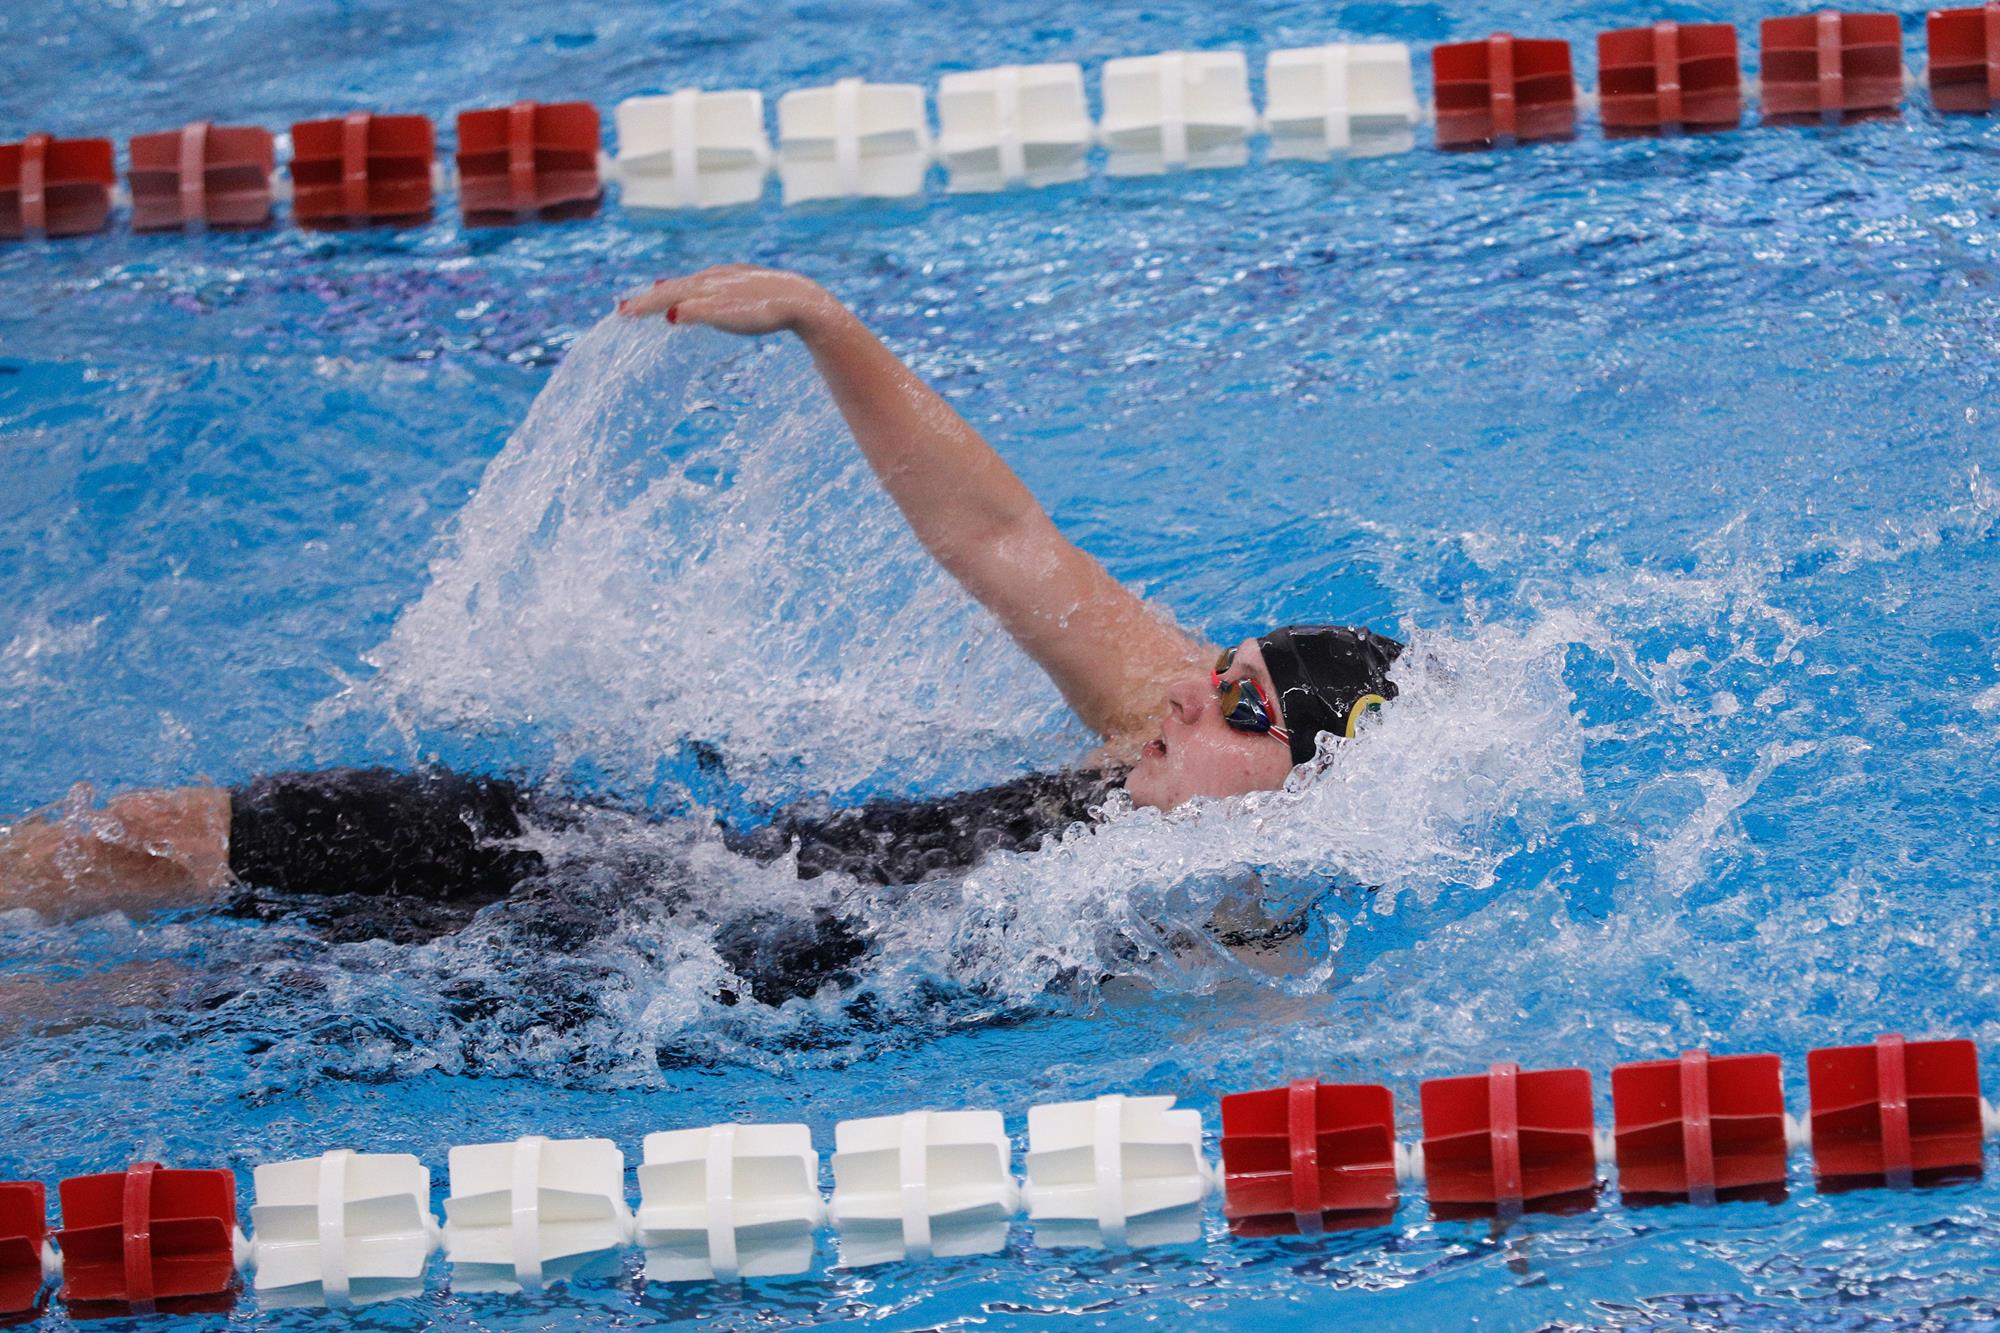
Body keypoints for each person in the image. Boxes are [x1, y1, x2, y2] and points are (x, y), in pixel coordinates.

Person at [0, 265, 1402, 973]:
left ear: (1315, 794)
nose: (1183, 694)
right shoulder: (1140, 732)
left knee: (170, 996)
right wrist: (817, 316)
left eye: (1240, 709)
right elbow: (997, 533)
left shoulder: (1229, 918)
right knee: (150, 832)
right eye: (1221, 669)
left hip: (668, 986)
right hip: (652, 865)